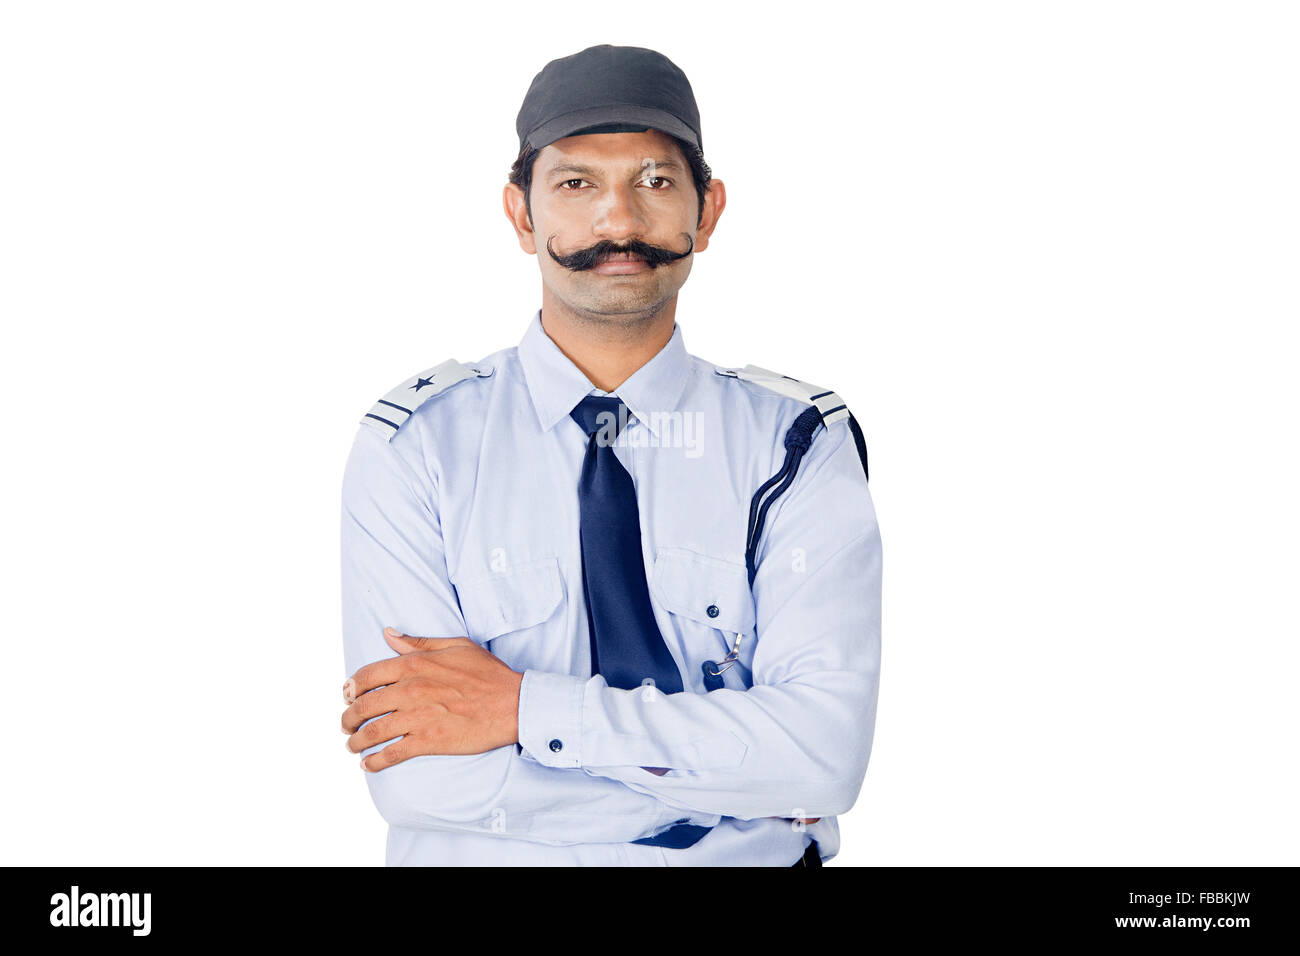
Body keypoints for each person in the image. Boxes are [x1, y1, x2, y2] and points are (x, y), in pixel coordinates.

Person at [339, 43, 882, 867]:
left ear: (710, 209)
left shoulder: (796, 443)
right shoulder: (415, 447)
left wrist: (523, 713)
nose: (620, 222)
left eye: (657, 182)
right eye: (577, 183)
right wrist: (738, 784)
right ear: (523, 214)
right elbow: (421, 783)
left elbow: (824, 757)